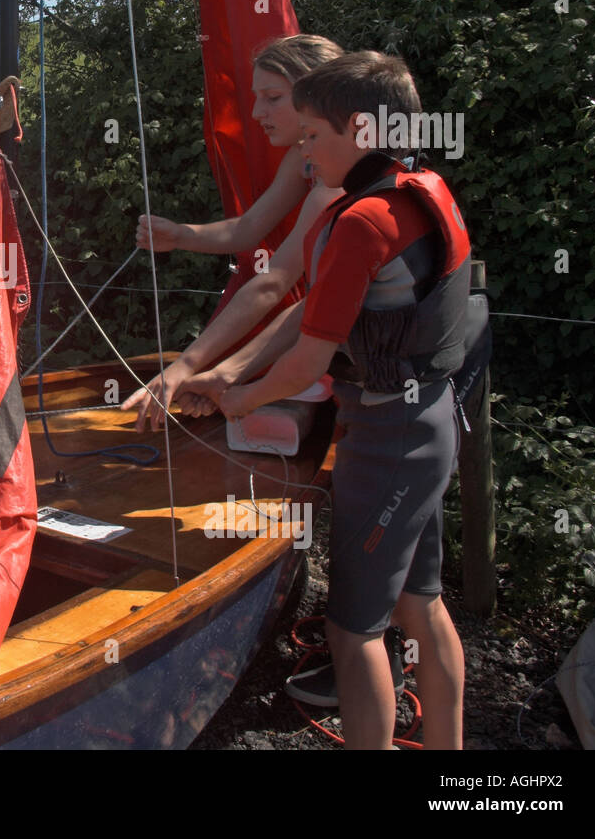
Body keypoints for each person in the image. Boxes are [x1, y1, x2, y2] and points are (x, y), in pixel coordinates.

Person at [186, 51, 469, 749]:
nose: (304, 153)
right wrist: (230, 376)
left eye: (314, 135)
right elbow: (316, 307)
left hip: (387, 439)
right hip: (431, 422)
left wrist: (241, 397)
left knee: (353, 631)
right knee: (421, 602)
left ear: (364, 130)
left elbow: (311, 357)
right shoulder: (414, 189)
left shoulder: (361, 223)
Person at [123, 34, 344, 429]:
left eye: (273, 98)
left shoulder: (333, 181)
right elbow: (249, 229)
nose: (258, 112)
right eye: (257, 97)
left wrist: (183, 367)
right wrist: (181, 236)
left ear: (316, 93)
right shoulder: (303, 159)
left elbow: (272, 284)